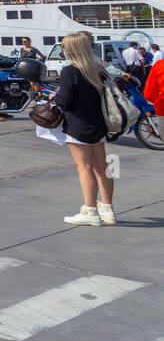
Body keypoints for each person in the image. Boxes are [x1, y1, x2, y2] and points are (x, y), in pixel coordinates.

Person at [38, 31, 115, 226]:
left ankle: (90, 211)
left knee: (84, 168)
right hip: (98, 124)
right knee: (102, 167)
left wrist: (53, 97)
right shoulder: (98, 69)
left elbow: (65, 102)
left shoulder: (70, 72)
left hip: (78, 126)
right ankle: (107, 209)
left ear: (71, 49)